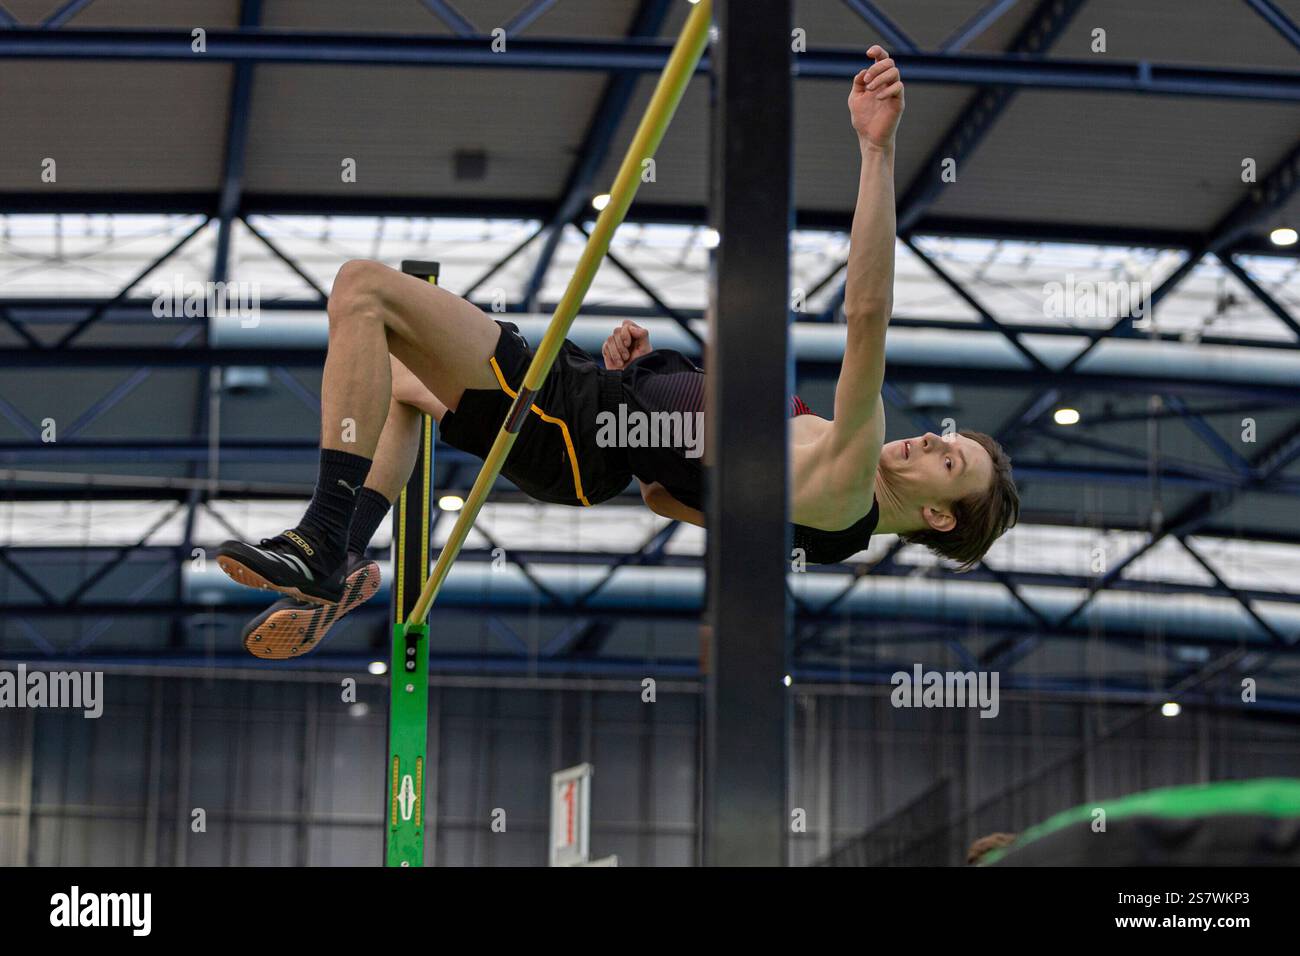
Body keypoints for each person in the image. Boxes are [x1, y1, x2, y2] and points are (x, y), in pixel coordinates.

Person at [221, 47, 1019, 656]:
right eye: (946, 438)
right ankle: (347, 551)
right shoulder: (818, 506)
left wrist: (877, 153)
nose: (926, 440)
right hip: (586, 418)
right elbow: (665, 497)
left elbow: (868, 312)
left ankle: (324, 538)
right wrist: (632, 392)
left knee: (365, 290)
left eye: (947, 461)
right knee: (394, 378)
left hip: (568, 427)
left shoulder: (850, 490)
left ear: (940, 514)